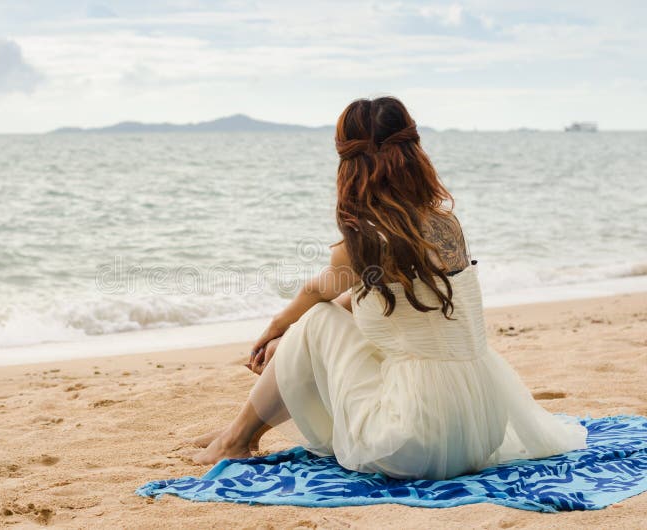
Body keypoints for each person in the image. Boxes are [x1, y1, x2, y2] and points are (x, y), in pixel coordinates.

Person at [190, 96, 587, 480]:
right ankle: (239, 432)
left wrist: (276, 329)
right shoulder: (447, 225)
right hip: (479, 433)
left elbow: (317, 298)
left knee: (314, 321)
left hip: (408, 443)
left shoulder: (361, 241)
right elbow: (373, 303)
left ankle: (236, 439)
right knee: (315, 327)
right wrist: (287, 343)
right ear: (415, 155)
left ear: (349, 164)